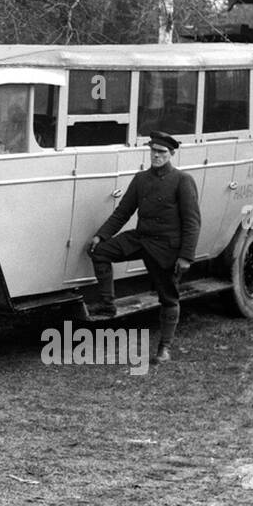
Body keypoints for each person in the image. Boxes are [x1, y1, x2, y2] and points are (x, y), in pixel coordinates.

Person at [85, 131, 200, 363]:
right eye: (153, 151)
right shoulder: (141, 179)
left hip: (166, 246)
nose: (156, 156)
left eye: (162, 152)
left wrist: (186, 256)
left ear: (171, 154)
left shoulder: (182, 180)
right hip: (141, 238)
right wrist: (101, 235)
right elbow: (123, 212)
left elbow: (192, 221)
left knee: (168, 297)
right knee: (101, 252)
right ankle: (108, 306)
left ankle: (164, 348)